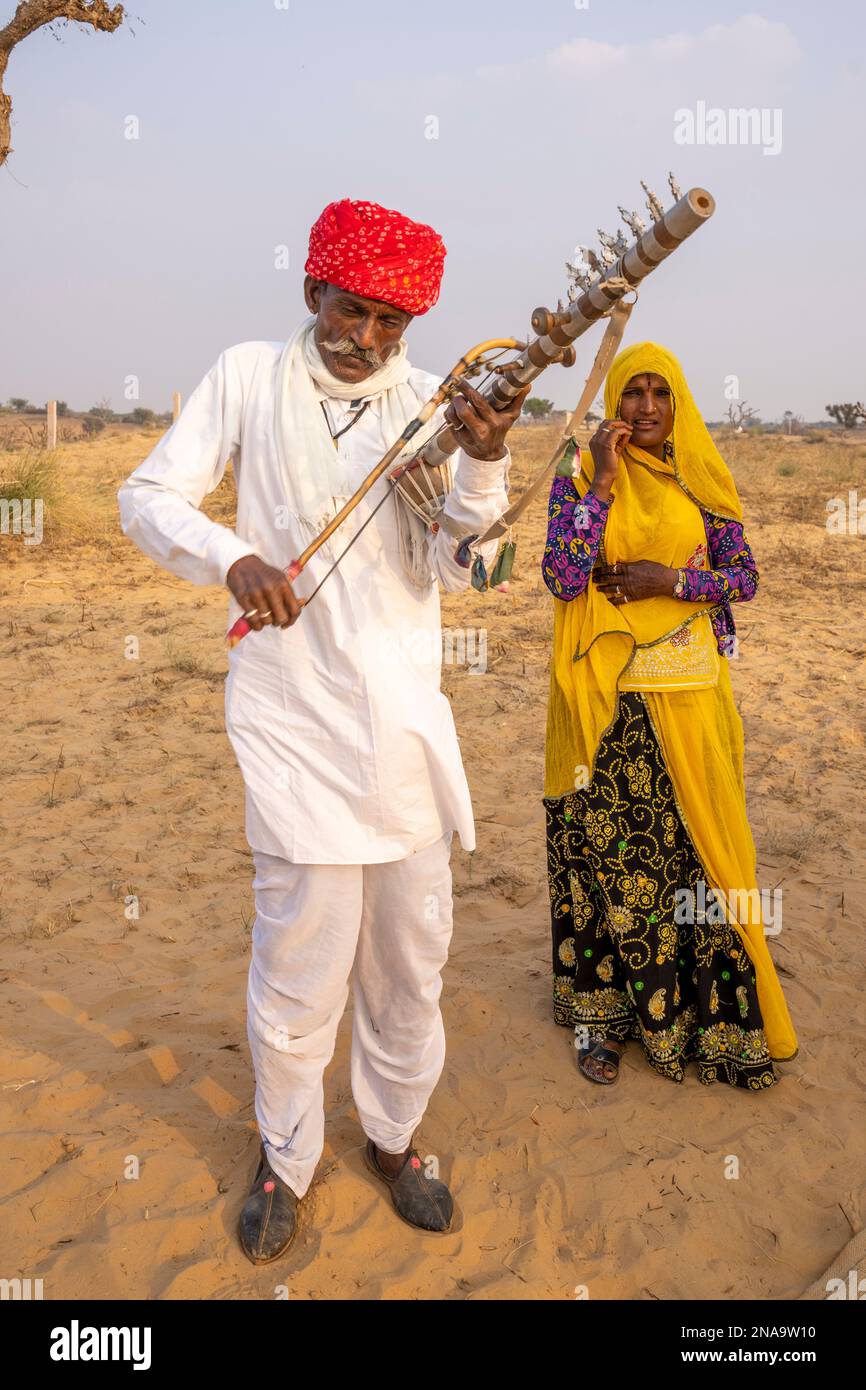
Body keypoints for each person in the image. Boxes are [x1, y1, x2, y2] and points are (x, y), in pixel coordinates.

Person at [118, 198, 528, 1262]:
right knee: (299, 964)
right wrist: (231, 559)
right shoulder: (248, 375)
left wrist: (482, 467)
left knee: (409, 959)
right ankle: (284, 1156)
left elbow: (471, 569)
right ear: (313, 294)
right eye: (353, 310)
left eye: (393, 320)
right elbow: (147, 492)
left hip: (401, 736)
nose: (370, 338)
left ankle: (392, 1138)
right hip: (292, 725)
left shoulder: (438, 408)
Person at [541, 341, 797, 1090]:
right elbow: (562, 574)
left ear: (677, 401)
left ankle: (701, 1017)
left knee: (695, 861)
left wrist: (670, 579)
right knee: (611, 865)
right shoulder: (581, 476)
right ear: (614, 403)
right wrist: (607, 482)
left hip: (689, 700)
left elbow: (742, 578)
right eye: (632, 393)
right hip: (605, 705)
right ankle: (605, 1021)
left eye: (659, 393)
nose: (645, 406)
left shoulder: (701, 481)